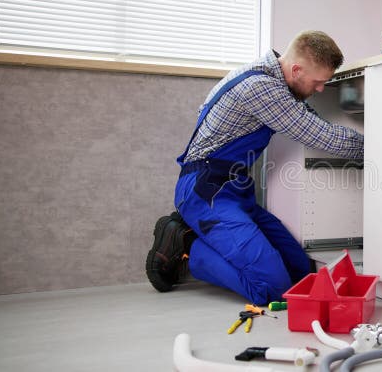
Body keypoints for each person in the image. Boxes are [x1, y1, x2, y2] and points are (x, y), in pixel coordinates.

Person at [146, 31, 363, 304]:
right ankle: (188, 242)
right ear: (296, 70)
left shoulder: (273, 81)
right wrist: (378, 146)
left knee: (300, 272)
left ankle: (205, 237)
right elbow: (322, 135)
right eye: (318, 82)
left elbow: (314, 121)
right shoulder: (260, 88)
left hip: (234, 190)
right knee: (271, 289)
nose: (320, 89)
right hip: (205, 192)